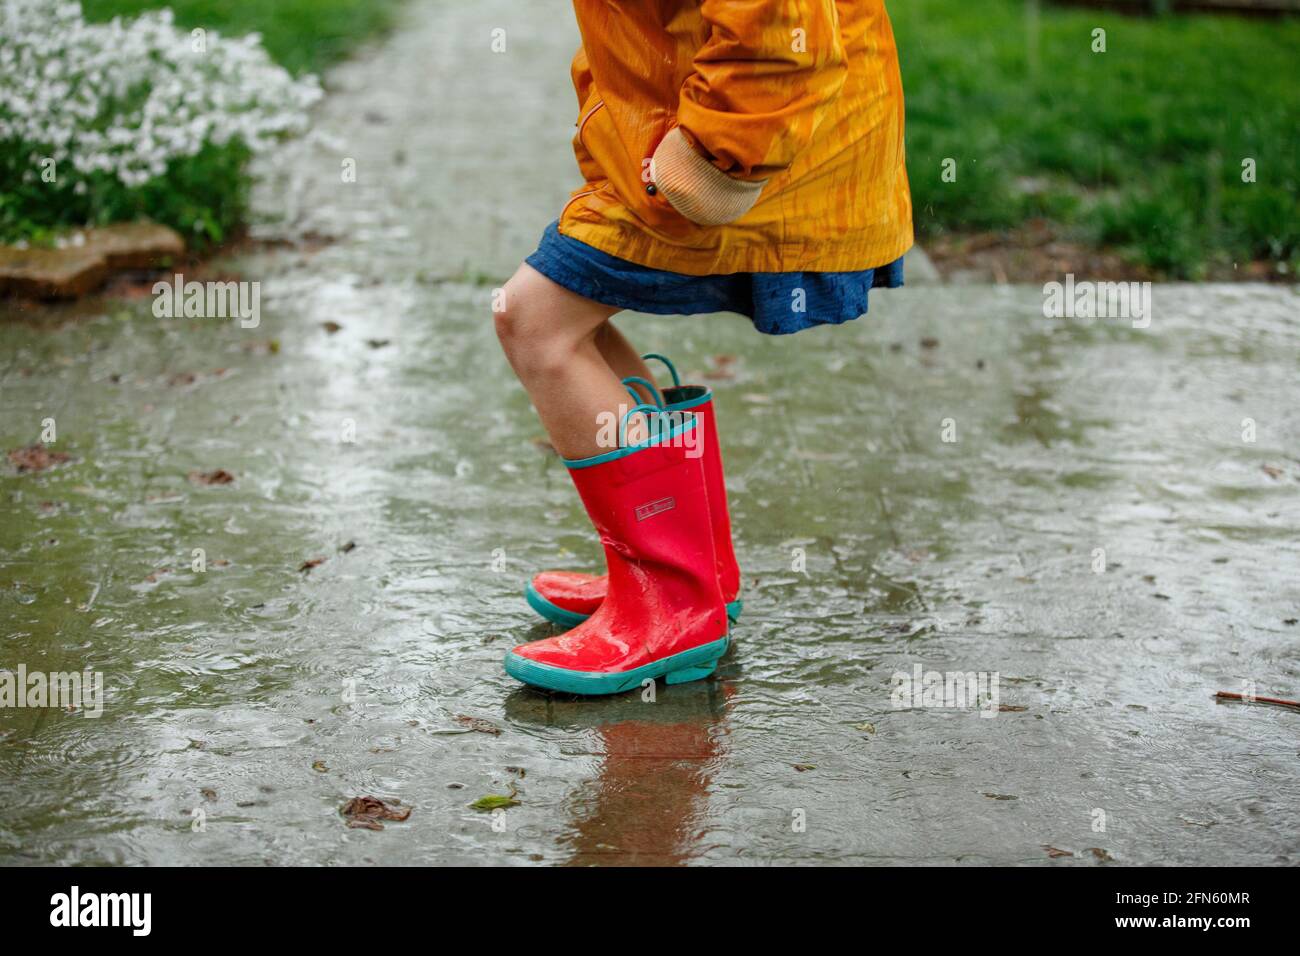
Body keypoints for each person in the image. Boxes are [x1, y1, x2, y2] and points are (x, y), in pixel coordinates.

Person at [497, 0, 912, 694]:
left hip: (760, 150)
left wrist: (711, 160)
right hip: (710, 135)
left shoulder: (724, 149)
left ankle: (671, 606)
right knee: (571, 319)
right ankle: (691, 577)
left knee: (533, 319)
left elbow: (779, 26)